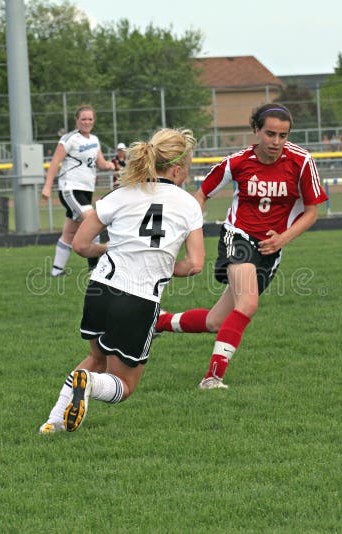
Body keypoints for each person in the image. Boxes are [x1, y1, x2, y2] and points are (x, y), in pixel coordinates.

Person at [38, 128, 205, 433]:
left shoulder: (120, 193)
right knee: (124, 385)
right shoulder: (189, 205)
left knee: (96, 357)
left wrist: (109, 250)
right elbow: (195, 264)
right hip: (139, 299)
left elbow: (81, 245)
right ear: (177, 169)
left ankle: (53, 423)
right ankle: (89, 384)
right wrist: (161, 265)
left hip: (100, 289)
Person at [155, 103, 328, 390]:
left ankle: (158, 322)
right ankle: (212, 377)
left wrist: (283, 238)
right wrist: (184, 231)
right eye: (270, 133)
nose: (276, 141)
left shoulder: (301, 161)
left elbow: (312, 212)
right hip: (238, 238)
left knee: (215, 321)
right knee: (248, 304)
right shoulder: (237, 162)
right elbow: (201, 195)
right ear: (256, 131)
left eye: (283, 135)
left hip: (271, 250)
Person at [41, 105, 116, 276]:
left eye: (90, 119)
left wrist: (110, 166)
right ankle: (94, 269)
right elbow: (54, 163)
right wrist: (47, 186)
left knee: (69, 233)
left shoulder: (94, 140)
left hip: (86, 191)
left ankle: (56, 270)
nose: (86, 122)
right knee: (93, 222)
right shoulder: (69, 139)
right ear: (76, 120)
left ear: (94, 121)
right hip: (70, 190)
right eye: (83, 119)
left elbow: (100, 163)